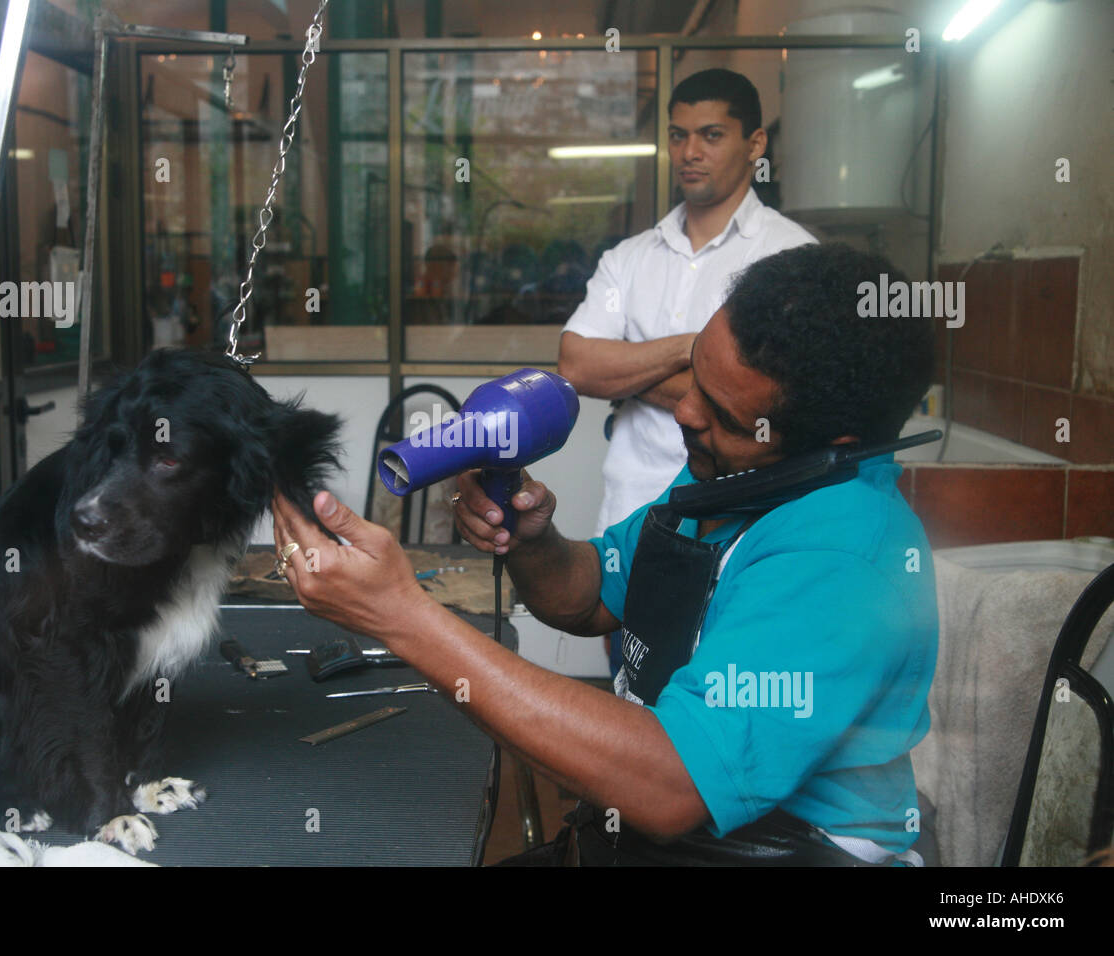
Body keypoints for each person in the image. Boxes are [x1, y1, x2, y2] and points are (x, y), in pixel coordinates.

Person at [270, 243, 938, 865]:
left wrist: (400, 615)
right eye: (692, 377)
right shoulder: (740, 472)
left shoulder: (842, 559)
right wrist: (535, 544)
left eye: (723, 414)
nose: (685, 414)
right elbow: (588, 596)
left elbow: (672, 786)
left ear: (834, 443)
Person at [559, 68, 816, 537]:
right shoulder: (629, 257)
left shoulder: (792, 258)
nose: (690, 153)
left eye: (711, 135)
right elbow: (576, 367)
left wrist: (626, 379)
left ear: (755, 144)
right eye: (678, 136)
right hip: (627, 511)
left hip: (738, 518)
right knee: (614, 614)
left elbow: (775, 403)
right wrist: (691, 348)